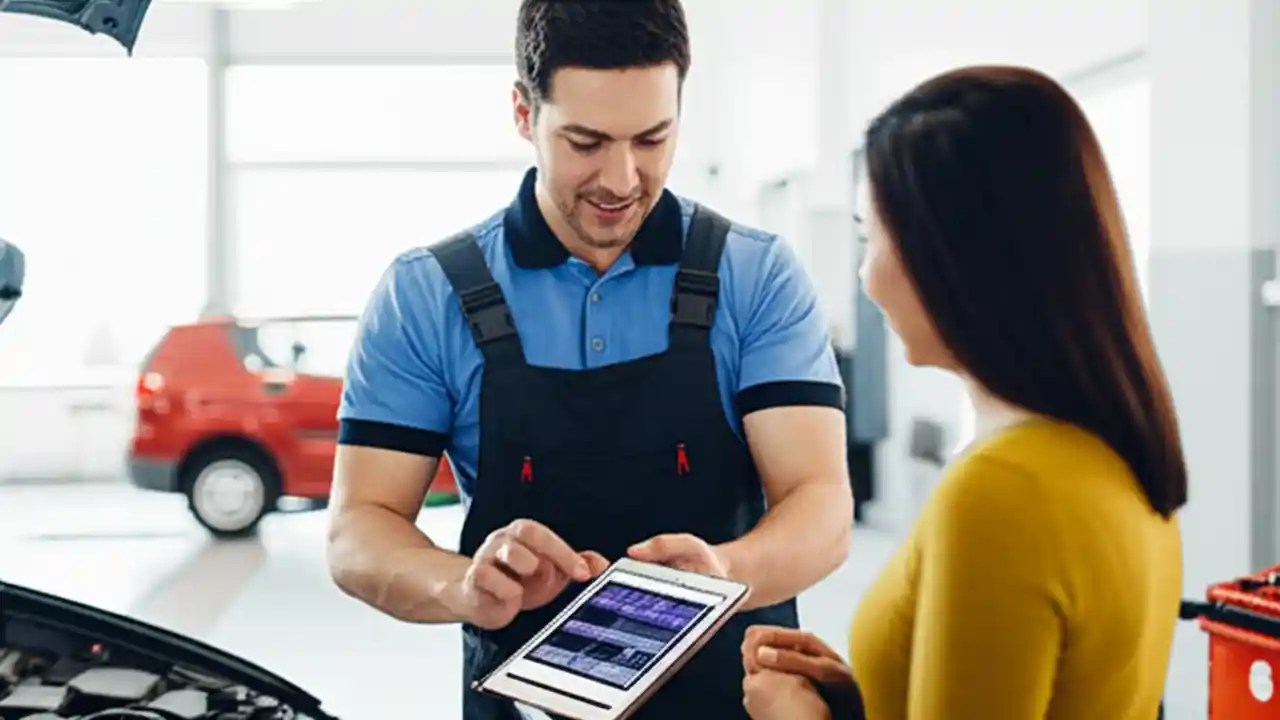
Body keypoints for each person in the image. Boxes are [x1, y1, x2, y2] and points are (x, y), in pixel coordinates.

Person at [324, 2, 854, 718]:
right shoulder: (427, 293)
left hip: (733, 698)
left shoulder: (753, 275)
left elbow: (821, 505)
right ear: (523, 113)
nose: (622, 178)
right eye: (586, 141)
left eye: (652, 139)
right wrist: (463, 586)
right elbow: (359, 528)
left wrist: (723, 572)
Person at [741, 65, 1186, 720]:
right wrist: (872, 696)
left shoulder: (1001, 492)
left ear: (951, 251)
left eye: (873, 237)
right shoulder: (1118, 450)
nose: (866, 276)